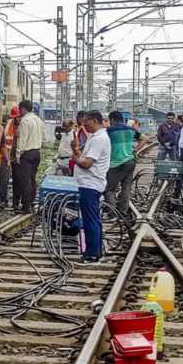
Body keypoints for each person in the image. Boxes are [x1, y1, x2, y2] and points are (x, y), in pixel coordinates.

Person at [71, 111, 112, 265]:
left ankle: (92, 255)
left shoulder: (99, 139)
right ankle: (95, 252)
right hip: (90, 183)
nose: (83, 125)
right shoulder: (95, 137)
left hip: (90, 184)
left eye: (86, 121)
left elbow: (87, 164)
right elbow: (85, 155)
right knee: (93, 219)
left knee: (90, 220)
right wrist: (76, 151)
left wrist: (75, 159)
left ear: (94, 120)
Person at [105, 111, 148, 211]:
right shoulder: (130, 130)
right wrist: (136, 150)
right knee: (126, 188)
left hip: (115, 163)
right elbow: (144, 139)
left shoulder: (108, 130)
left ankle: (112, 212)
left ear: (112, 119)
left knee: (108, 188)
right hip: (130, 161)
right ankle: (123, 211)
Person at [13, 100, 45, 214]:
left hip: (26, 153)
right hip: (36, 152)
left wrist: (18, 154)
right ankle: (30, 203)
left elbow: (22, 140)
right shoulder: (39, 120)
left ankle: (26, 206)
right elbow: (44, 138)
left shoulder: (25, 121)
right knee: (32, 179)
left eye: (20, 109)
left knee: (25, 180)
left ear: (23, 109)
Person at [0, 106, 20, 209]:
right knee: (4, 178)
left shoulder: (25, 124)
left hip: (18, 156)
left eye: (19, 117)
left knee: (18, 180)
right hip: (6, 154)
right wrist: (7, 158)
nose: (17, 119)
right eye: (16, 117)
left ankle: (16, 202)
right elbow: (4, 141)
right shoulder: (9, 124)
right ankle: (3, 199)